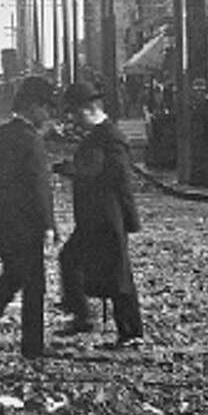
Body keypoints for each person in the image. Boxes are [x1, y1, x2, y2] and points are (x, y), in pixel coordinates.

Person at [0, 76, 60, 358]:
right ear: (32, 107)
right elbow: (38, 188)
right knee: (34, 285)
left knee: (14, 274)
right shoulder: (31, 141)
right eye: (45, 108)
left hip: (0, 224)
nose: (47, 115)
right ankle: (32, 346)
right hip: (26, 224)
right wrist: (48, 225)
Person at [56, 81, 146, 349]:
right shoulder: (97, 135)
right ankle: (83, 317)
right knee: (72, 260)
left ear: (91, 108)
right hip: (94, 217)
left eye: (76, 112)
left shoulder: (111, 136)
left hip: (108, 217)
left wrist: (130, 220)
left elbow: (120, 180)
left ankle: (131, 333)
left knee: (118, 276)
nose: (73, 118)